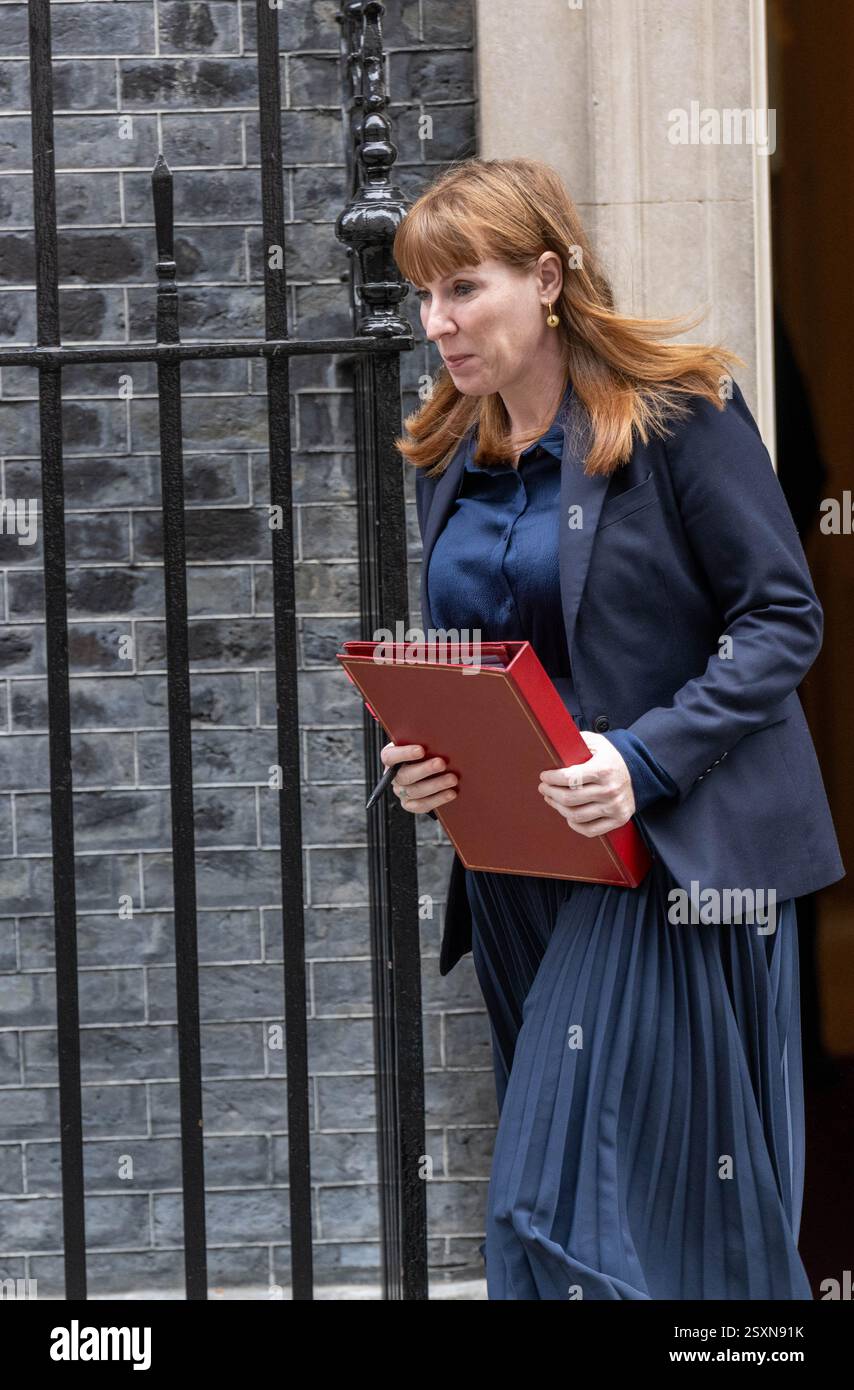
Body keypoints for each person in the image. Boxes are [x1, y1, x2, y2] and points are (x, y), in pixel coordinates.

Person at [382, 157, 845, 1300]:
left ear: (545, 278)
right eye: (424, 297)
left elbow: (781, 617)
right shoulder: (449, 449)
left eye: (463, 288)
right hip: (517, 874)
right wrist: (420, 760)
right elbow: (485, 653)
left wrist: (638, 762)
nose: (437, 323)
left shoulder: (678, 415)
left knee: (549, 1201)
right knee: (660, 1211)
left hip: (666, 867)